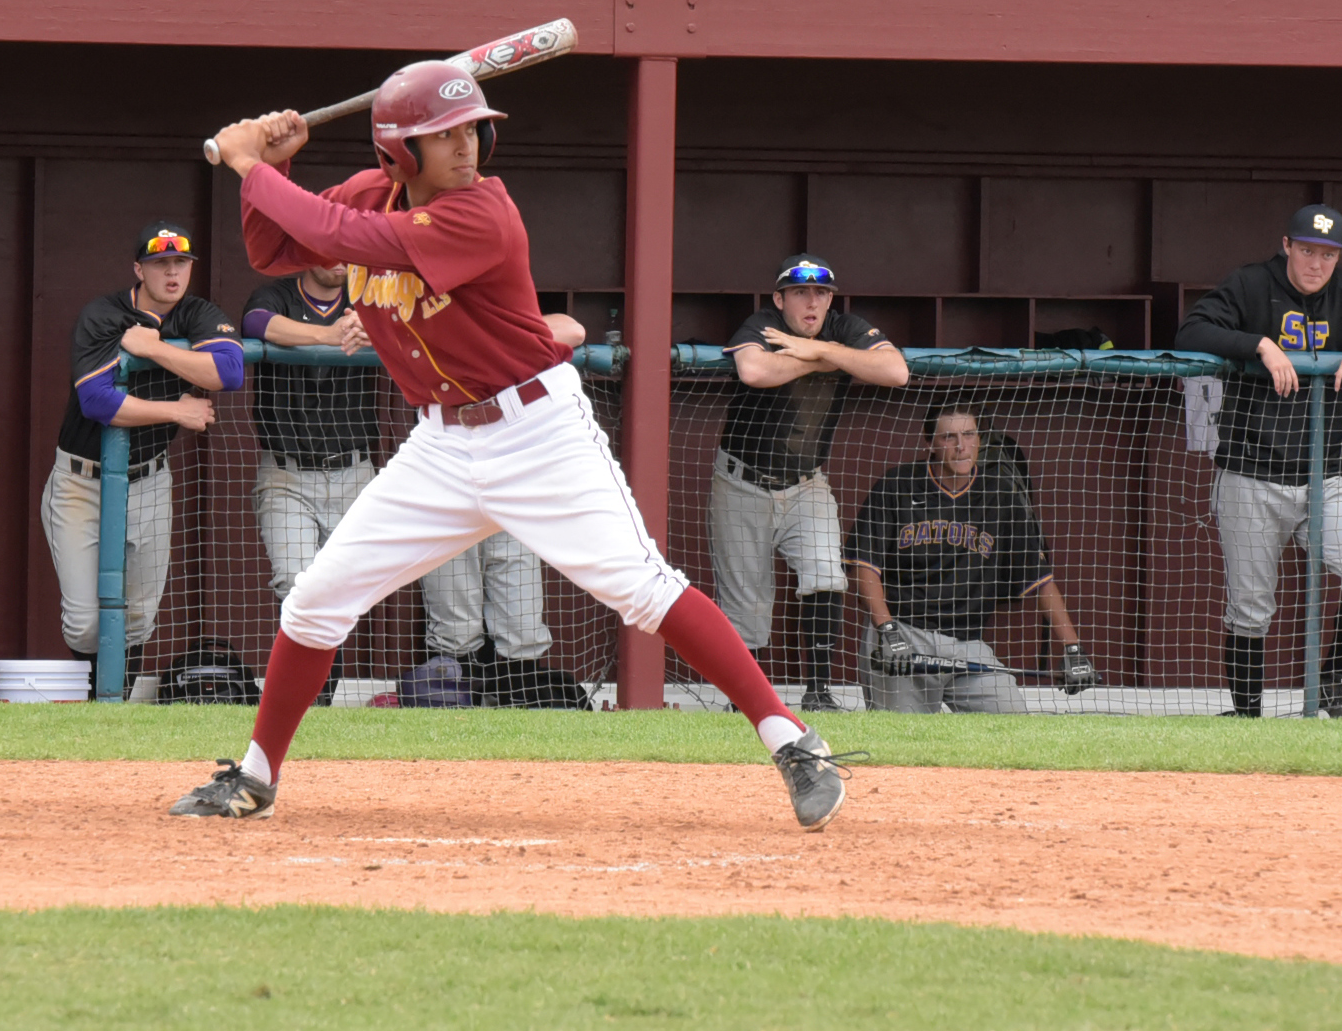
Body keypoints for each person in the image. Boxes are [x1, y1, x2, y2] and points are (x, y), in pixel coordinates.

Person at [169, 63, 857, 830]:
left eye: (472, 129)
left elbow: (342, 236)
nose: (466, 146)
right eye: (444, 135)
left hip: (536, 433)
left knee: (644, 589)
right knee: (315, 603)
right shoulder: (369, 192)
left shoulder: (483, 212)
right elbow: (275, 250)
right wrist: (276, 165)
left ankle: (794, 740)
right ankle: (257, 777)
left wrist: (248, 164)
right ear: (401, 151)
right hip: (439, 444)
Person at [1174, 204, 1342, 717]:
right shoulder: (1251, 285)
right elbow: (1191, 334)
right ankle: (1249, 717)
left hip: (1324, 476)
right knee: (1251, 609)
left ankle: (1331, 678)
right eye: (1308, 250)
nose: (1317, 263)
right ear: (1288, 246)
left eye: (1328, 254)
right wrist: (1260, 346)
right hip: (1251, 472)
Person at [41, 222, 244, 689]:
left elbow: (229, 373)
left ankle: (113, 717)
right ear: (139, 270)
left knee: (137, 618)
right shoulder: (103, 313)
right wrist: (176, 409)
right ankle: (100, 702)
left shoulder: (196, 313)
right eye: (160, 264)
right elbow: (97, 401)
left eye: (181, 263)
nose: (172, 273)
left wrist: (155, 348)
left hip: (150, 478)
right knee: (85, 622)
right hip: (80, 480)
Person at [713, 255, 909, 712]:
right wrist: (830, 363)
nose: (812, 302)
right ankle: (746, 702)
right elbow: (755, 371)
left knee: (826, 576)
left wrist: (821, 351)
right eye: (800, 292)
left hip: (807, 484)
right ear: (780, 298)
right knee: (747, 610)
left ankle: (818, 693)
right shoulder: (762, 323)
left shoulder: (842, 328)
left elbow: (896, 371)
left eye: (821, 293)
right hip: (741, 481)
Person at [844, 403, 1099, 712]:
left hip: (968, 643)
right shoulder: (897, 485)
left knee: (1012, 723)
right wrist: (887, 630)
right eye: (949, 437)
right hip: (904, 634)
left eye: (969, 434)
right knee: (901, 738)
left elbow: (1040, 578)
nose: (961, 446)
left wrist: (1072, 648)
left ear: (980, 439)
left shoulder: (1001, 495)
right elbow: (863, 567)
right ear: (931, 444)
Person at [417, 313, 586, 698]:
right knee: (455, 628)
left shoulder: (504, 315)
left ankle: (517, 709)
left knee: (523, 624)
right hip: (450, 479)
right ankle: (459, 706)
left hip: (513, 483)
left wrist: (487, 331)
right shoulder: (430, 317)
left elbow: (574, 330)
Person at [243, 264, 375, 703]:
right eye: (326, 247)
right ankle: (307, 702)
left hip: (354, 471)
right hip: (288, 472)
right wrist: (331, 333)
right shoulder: (278, 295)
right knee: (295, 586)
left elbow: (412, 330)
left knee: (340, 593)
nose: (336, 259)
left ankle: (318, 700)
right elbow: (255, 323)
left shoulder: (368, 297)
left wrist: (373, 330)